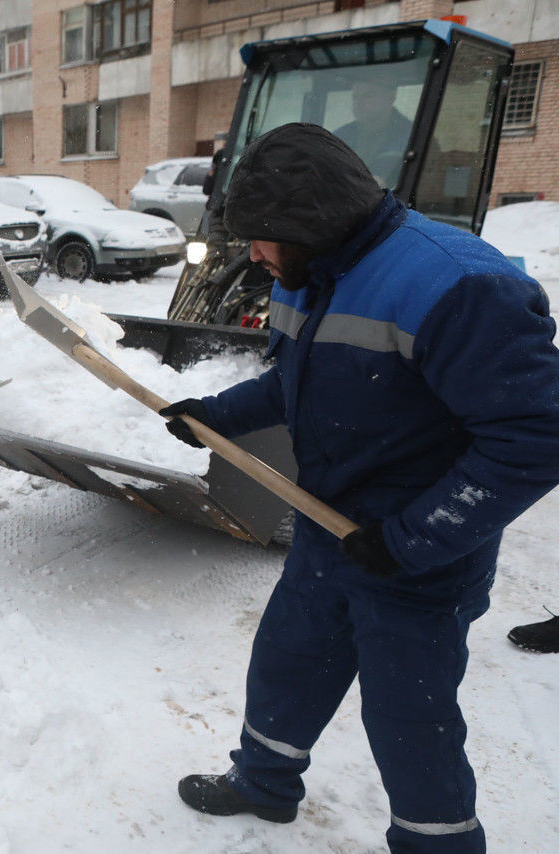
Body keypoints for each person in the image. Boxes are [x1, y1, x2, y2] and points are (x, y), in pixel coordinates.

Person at [159, 123, 559, 853]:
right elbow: (296, 384)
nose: (252, 252)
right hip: (327, 525)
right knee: (285, 662)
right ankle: (264, 785)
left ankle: (438, 844)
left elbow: (534, 438)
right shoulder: (306, 274)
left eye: (262, 235)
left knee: (410, 716)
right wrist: (215, 418)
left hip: (418, 555)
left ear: (310, 225)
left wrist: (413, 539)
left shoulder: (457, 286)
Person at [332, 79, 414, 188]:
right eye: (355, 97)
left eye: (368, 96)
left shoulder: (415, 138)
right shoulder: (340, 136)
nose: (358, 104)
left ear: (391, 98)